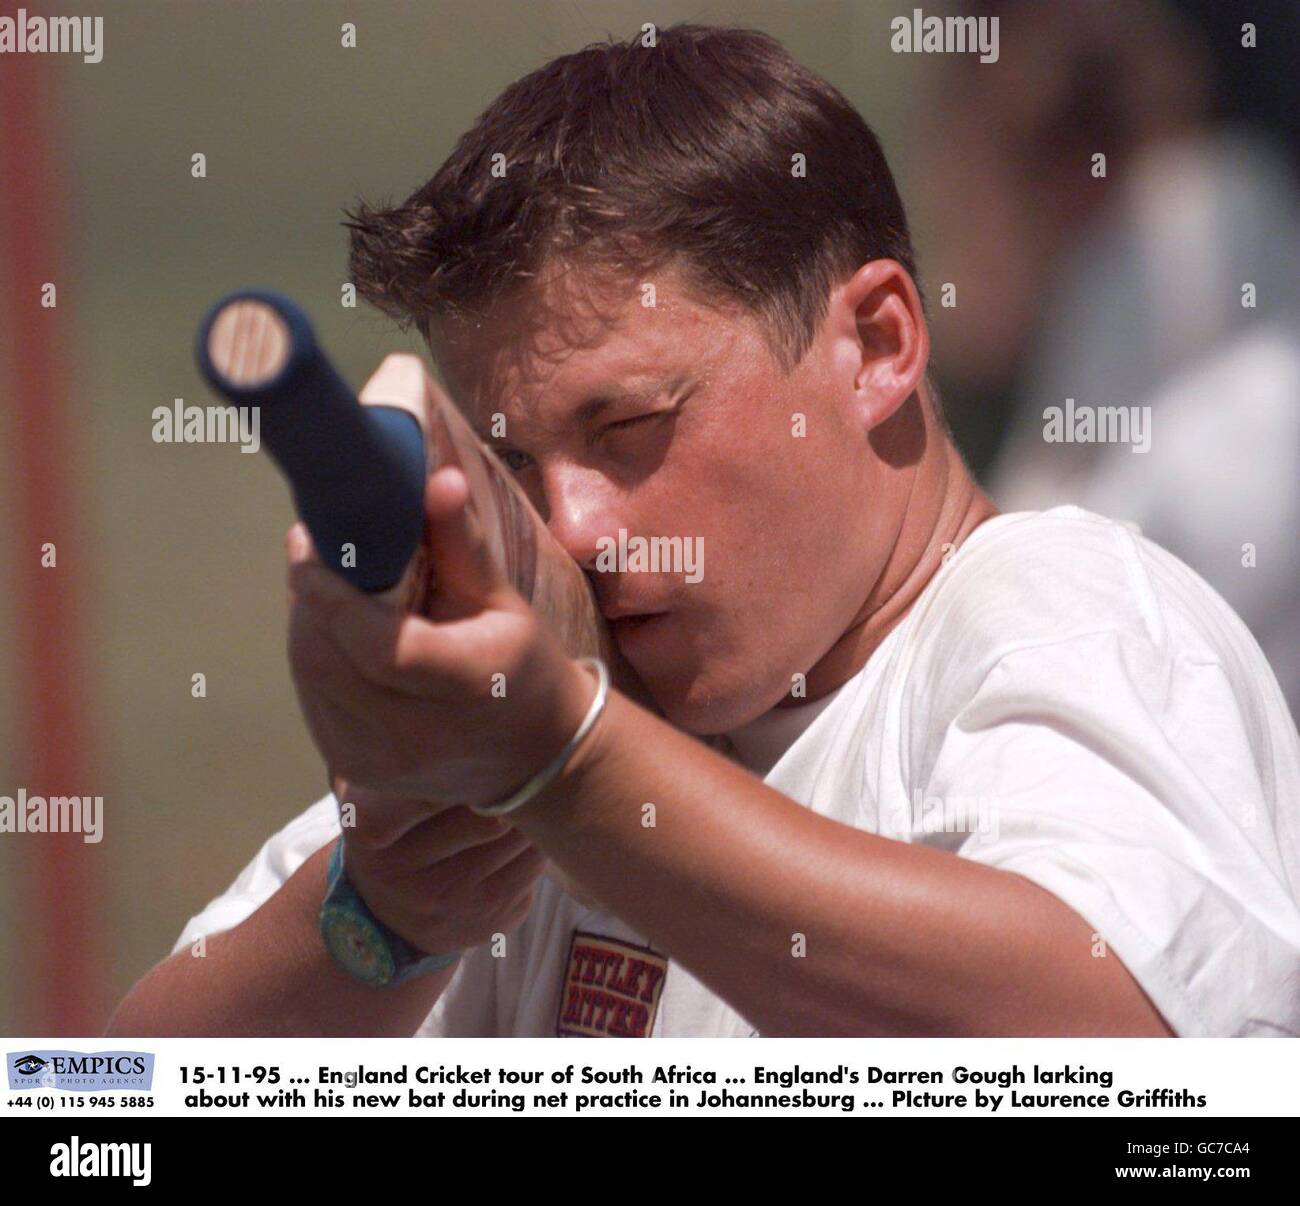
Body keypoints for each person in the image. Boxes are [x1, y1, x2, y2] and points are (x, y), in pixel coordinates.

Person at [106, 23, 1300, 1039]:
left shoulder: (1062, 608)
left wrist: (568, 770)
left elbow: (1141, 1057)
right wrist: (381, 918)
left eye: (629, 424)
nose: (571, 522)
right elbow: (95, 1111)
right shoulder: (566, 705)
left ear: (876, 344)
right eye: (512, 459)